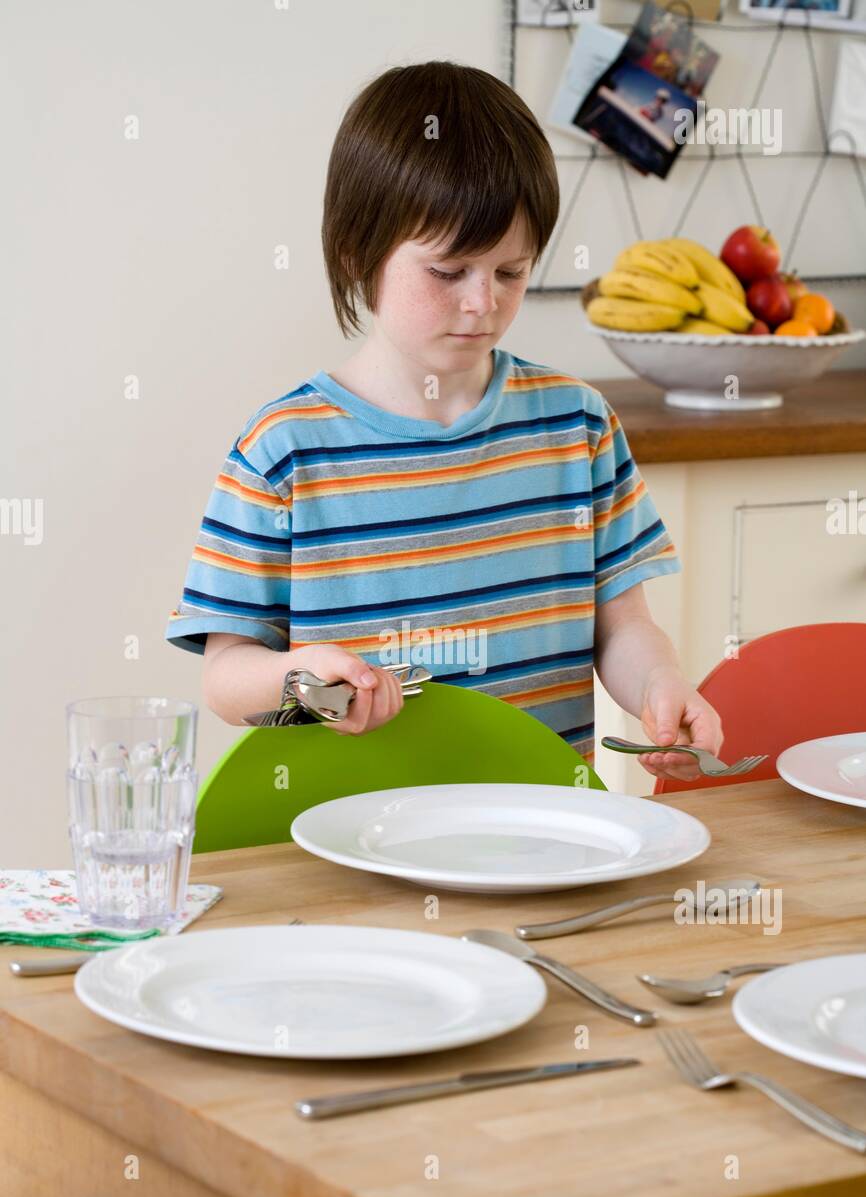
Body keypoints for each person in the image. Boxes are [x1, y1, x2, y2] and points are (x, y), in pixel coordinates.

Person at [165, 61, 723, 782]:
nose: (481, 303)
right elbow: (227, 679)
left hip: (543, 831)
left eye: (511, 272)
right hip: (353, 841)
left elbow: (623, 629)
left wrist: (658, 687)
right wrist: (304, 681)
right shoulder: (284, 452)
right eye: (449, 271)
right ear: (357, 253)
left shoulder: (577, 427)